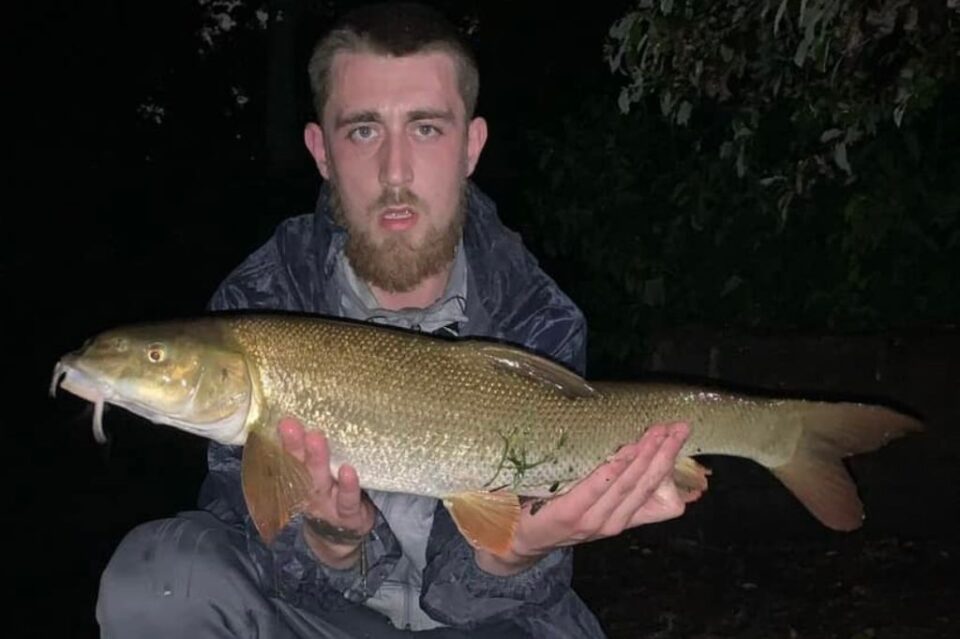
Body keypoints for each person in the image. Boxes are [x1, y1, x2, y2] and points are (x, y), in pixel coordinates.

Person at [95, 2, 694, 637]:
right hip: (317, 621)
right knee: (160, 579)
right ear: (321, 150)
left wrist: (519, 549)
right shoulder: (263, 297)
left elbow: (502, 587)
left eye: (427, 129)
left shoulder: (535, 311)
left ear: (472, 144)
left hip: (482, 622)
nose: (396, 172)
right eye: (363, 131)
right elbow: (245, 535)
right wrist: (329, 543)